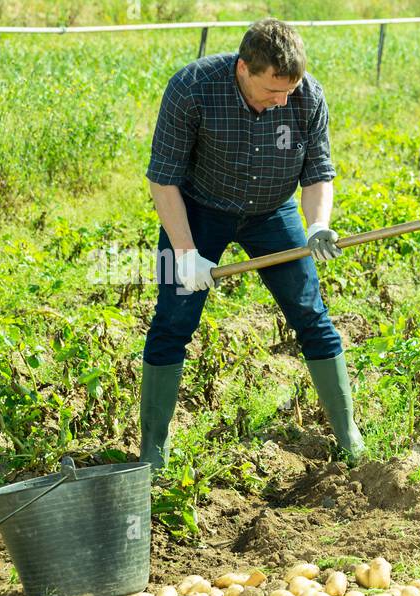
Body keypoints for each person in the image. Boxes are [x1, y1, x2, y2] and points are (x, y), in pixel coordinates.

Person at [139, 17, 364, 472]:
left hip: (272, 212)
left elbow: (318, 173)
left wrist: (318, 225)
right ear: (244, 69)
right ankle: (153, 452)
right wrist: (184, 253)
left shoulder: (306, 97)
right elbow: (163, 180)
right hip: (198, 211)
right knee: (172, 323)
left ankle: (348, 434)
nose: (282, 101)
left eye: (288, 91)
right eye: (272, 91)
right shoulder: (192, 89)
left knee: (311, 315)